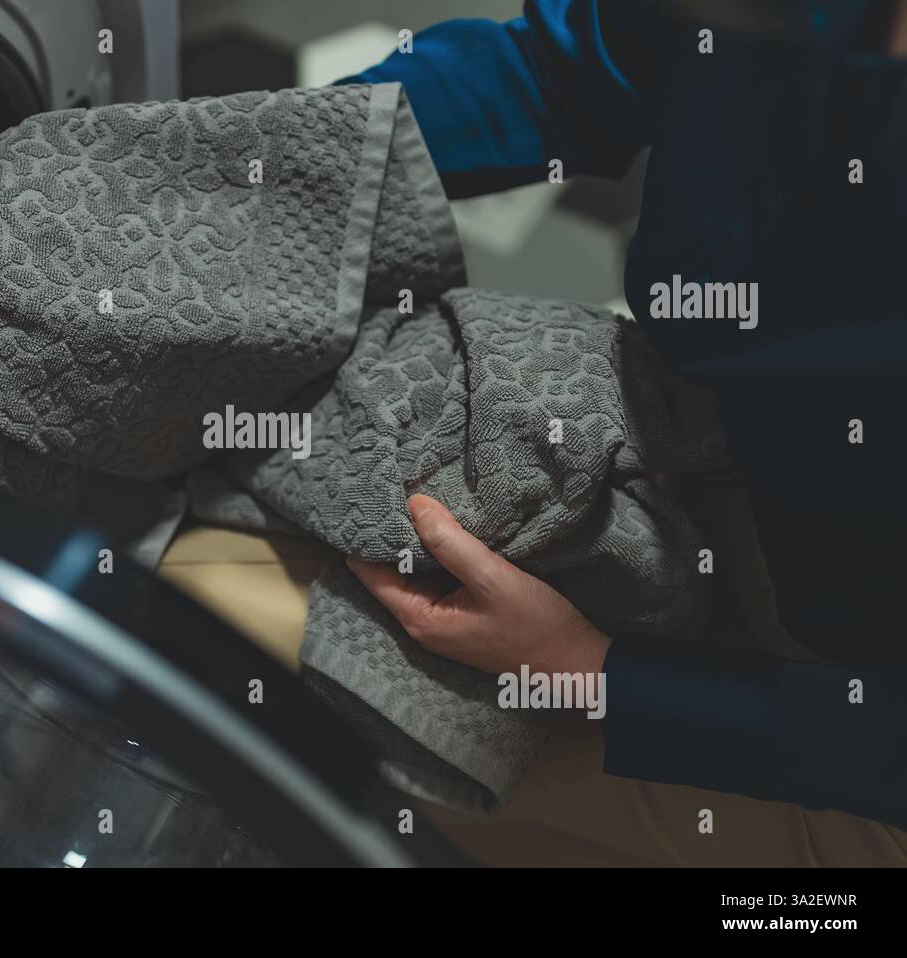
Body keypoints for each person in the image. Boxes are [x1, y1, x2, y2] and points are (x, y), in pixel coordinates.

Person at [341, 0, 907, 830]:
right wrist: (280, 148)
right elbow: (558, 74)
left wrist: (590, 673)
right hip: (752, 484)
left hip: (846, 722)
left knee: (378, 771)